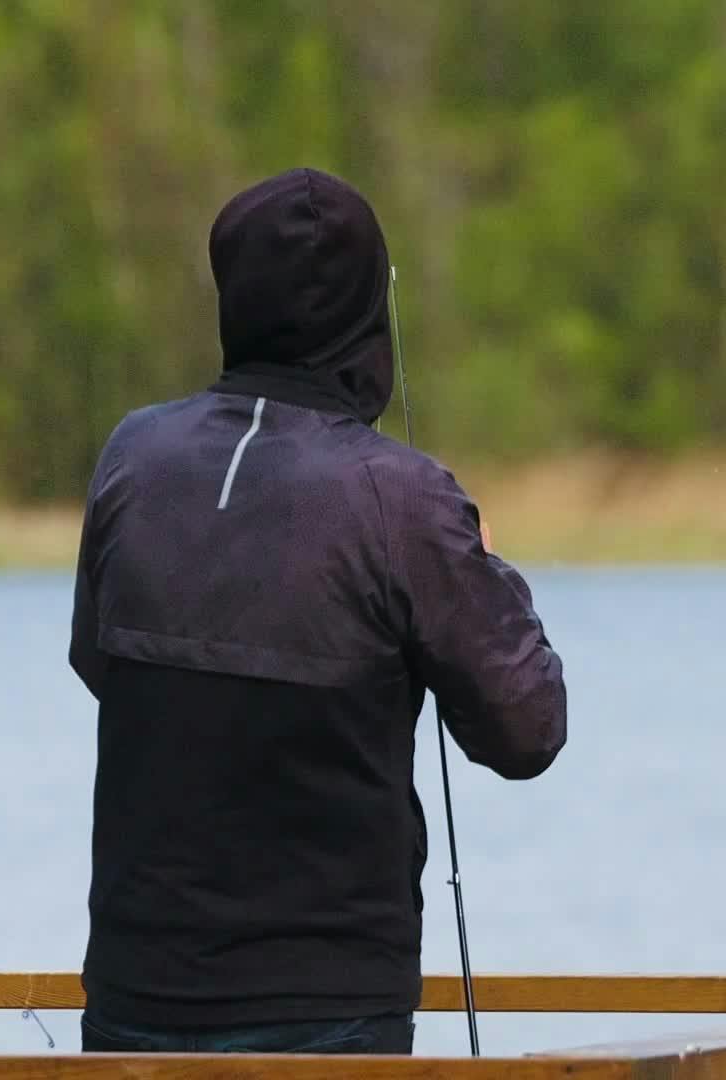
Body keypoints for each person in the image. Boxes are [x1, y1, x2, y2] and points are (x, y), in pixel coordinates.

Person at [68, 168, 566, 1056]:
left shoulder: (132, 457)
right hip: (327, 1012)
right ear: (368, 318)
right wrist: (488, 567)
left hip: (133, 991)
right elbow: (527, 729)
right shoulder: (404, 499)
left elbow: (97, 666)